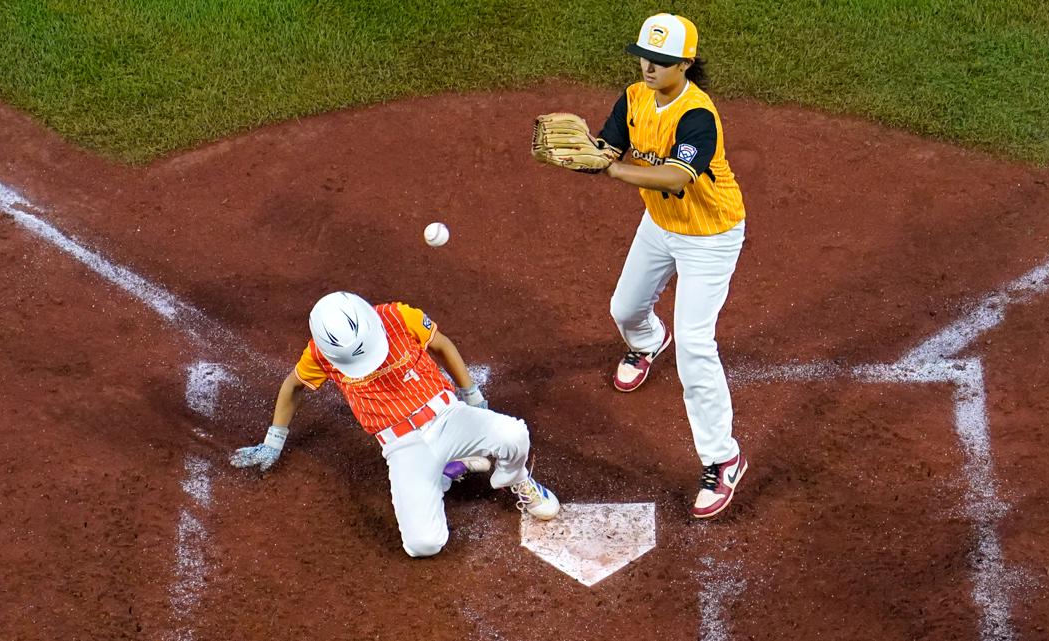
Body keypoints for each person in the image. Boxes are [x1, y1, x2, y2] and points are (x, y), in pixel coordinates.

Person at [230, 291, 559, 557]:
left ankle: (514, 478)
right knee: (424, 545)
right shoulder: (319, 355)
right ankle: (447, 467)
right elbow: (293, 386)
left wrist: (472, 395)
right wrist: (274, 439)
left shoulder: (398, 315)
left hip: (449, 417)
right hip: (405, 448)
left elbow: (442, 345)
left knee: (514, 433)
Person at [594, 13, 748, 518]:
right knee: (625, 308)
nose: (649, 66)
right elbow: (609, 144)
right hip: (661, 226)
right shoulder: (635, 97)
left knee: (697, 344)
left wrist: (609, 168)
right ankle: (646, 341)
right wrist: (586, 153)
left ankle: (723, 459)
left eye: (661, 60)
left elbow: (673, 177)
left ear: (685, 63)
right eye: (645, 56)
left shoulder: (698, 115)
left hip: (710, 237)